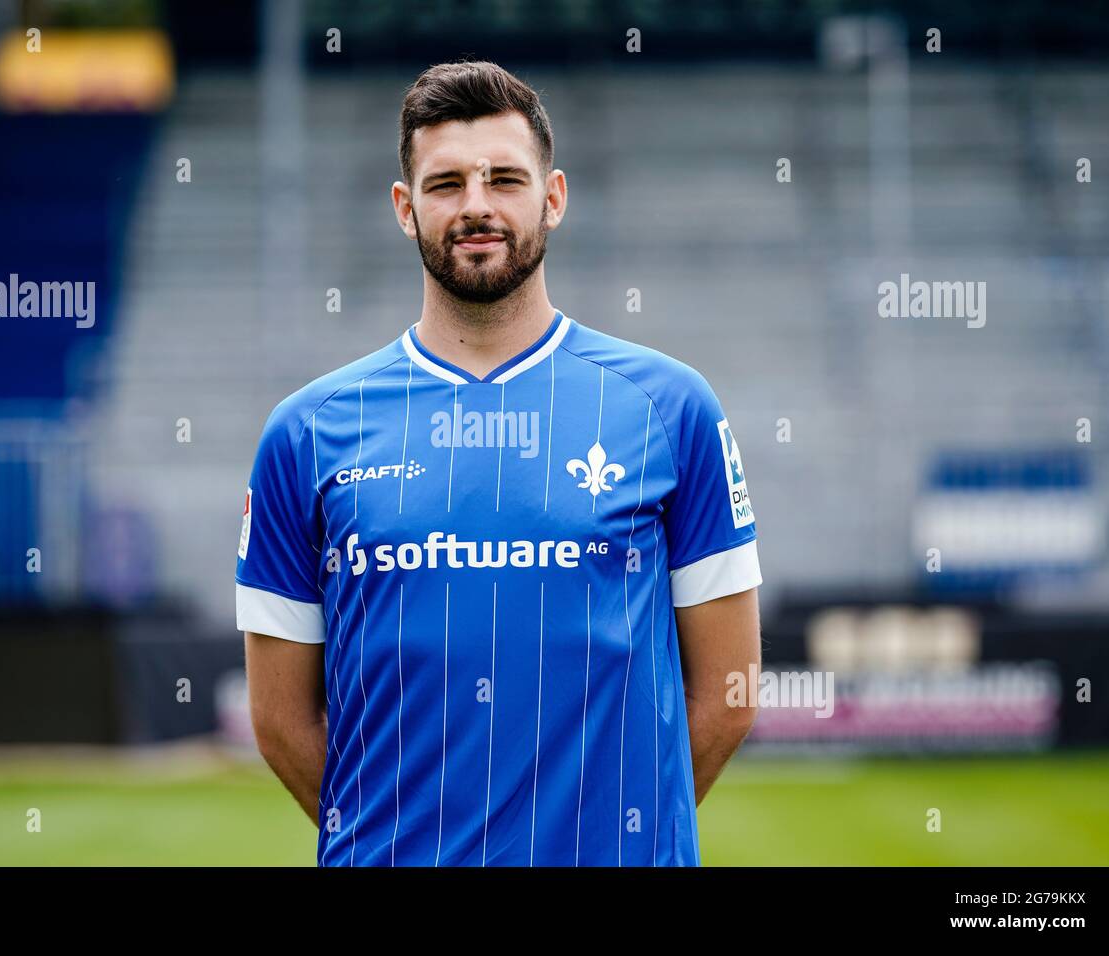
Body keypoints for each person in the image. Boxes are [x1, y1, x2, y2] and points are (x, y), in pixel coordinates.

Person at [238, 60, 762, 866]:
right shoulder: (305, 433)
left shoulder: (671, 408)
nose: (476, 205)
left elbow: (728, 696)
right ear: (405, 210)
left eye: (504, 179)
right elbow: (280, 723)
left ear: (552, 197)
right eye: (445, 184)